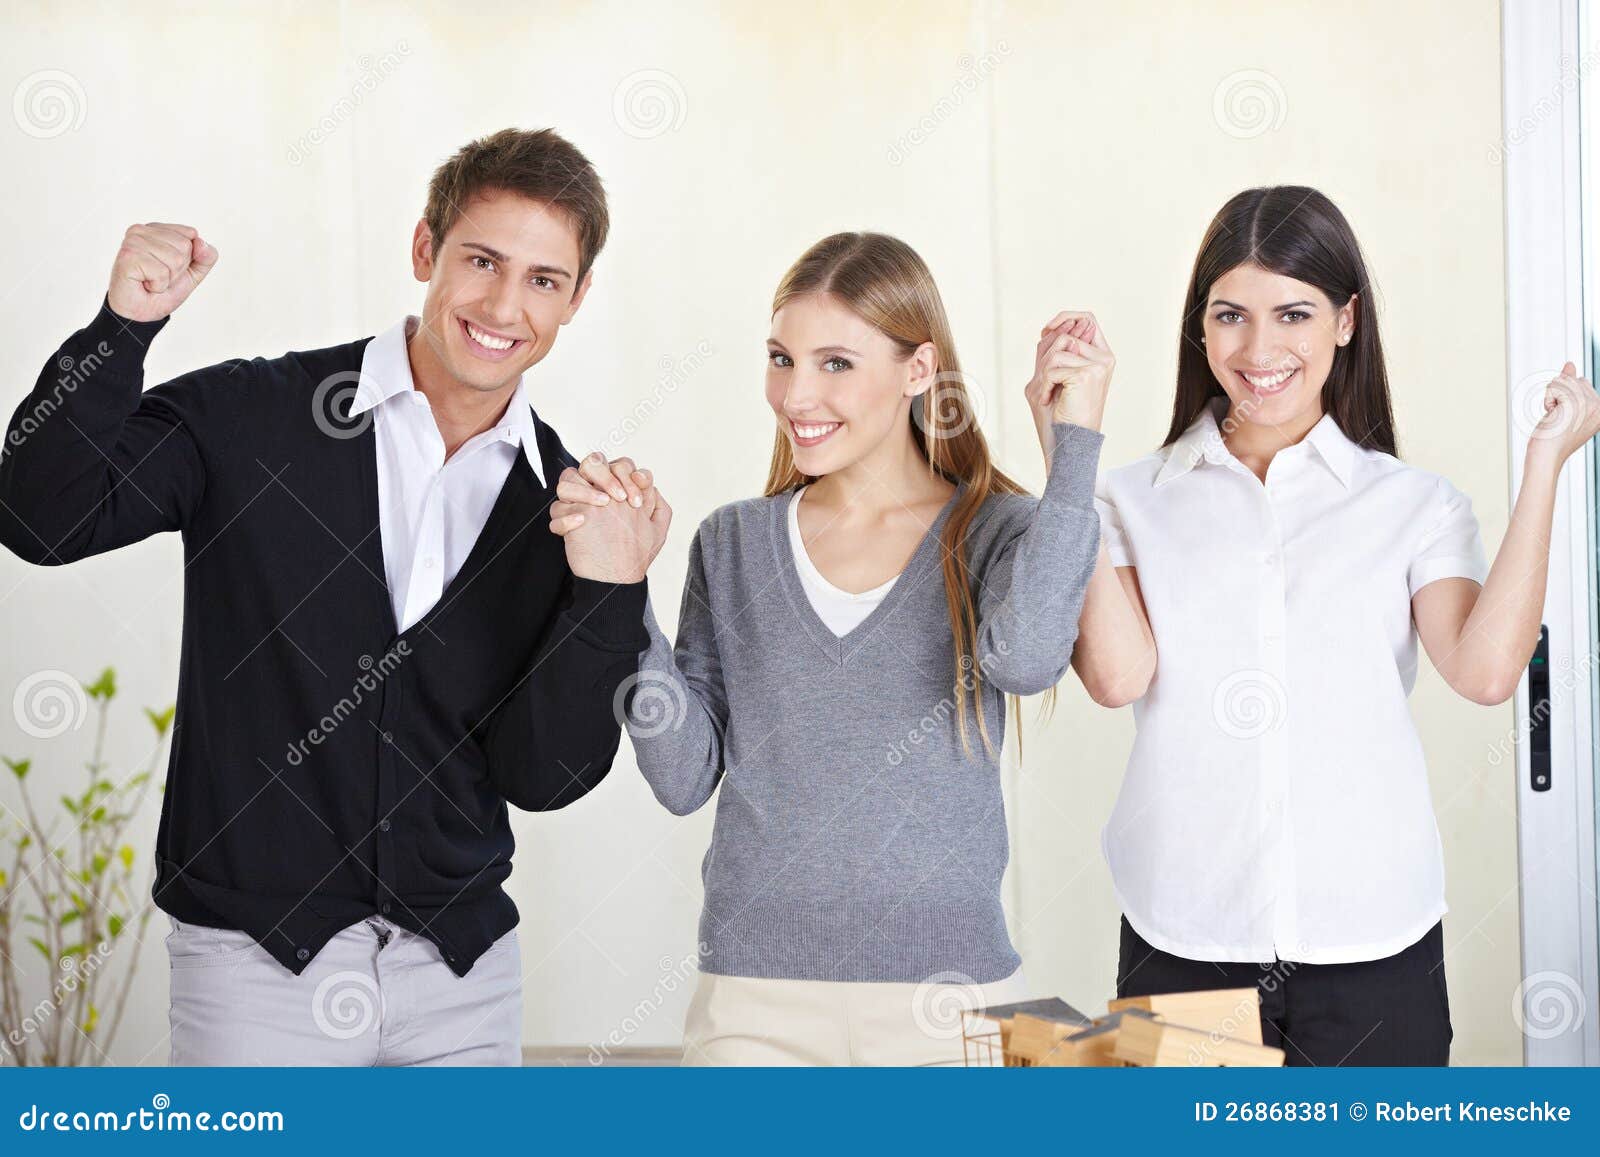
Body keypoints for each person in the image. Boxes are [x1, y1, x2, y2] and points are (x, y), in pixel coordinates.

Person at [0, 127, 669, 1065]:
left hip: (464, 982)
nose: (504, 305)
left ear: (577, 297)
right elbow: (42, 517)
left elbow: (543, 778)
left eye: (544, 279)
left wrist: (609, 592)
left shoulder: (568, 509)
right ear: (425, 249)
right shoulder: (252, 415)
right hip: (256, 969)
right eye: (481, 260)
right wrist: (121, 330)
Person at [1067, 185, 1600, 1065]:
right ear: (1199, 328)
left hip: (1375, 950)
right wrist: (1069, 452)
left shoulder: (1414, 505)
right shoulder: (1125, 497)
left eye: (1295, 313)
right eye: (1230, 313)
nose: (1260, 348)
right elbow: (1117, 677)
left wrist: (1545, 463)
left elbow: (1485, 670)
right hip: (1184, 942)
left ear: (1346, 322)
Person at [552, 232, 1108, 1064]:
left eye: (836, 364)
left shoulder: (997, 530)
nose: (796, 393)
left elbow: (1025, 659)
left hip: (948, 1003)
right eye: (781, 358)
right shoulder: (733, 542)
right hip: (753, 1005)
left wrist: (1074, 451)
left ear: (919, 370)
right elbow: (682, 778)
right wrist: (624, 593)